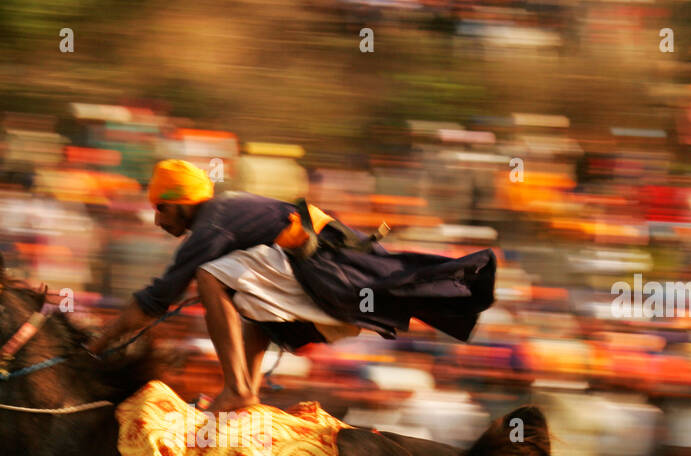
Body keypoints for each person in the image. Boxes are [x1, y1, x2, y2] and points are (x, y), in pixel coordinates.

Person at [89, 159, 497, 411]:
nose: (158, 221)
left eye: (161, 208)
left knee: (211, 276)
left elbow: (157, 299)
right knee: (233, 287)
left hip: (329, 277)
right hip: (325, 277)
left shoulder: (211, 223)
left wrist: (94, 346)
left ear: (182, 202)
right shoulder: (224, 217)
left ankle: (238, 391)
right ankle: (245, 393)